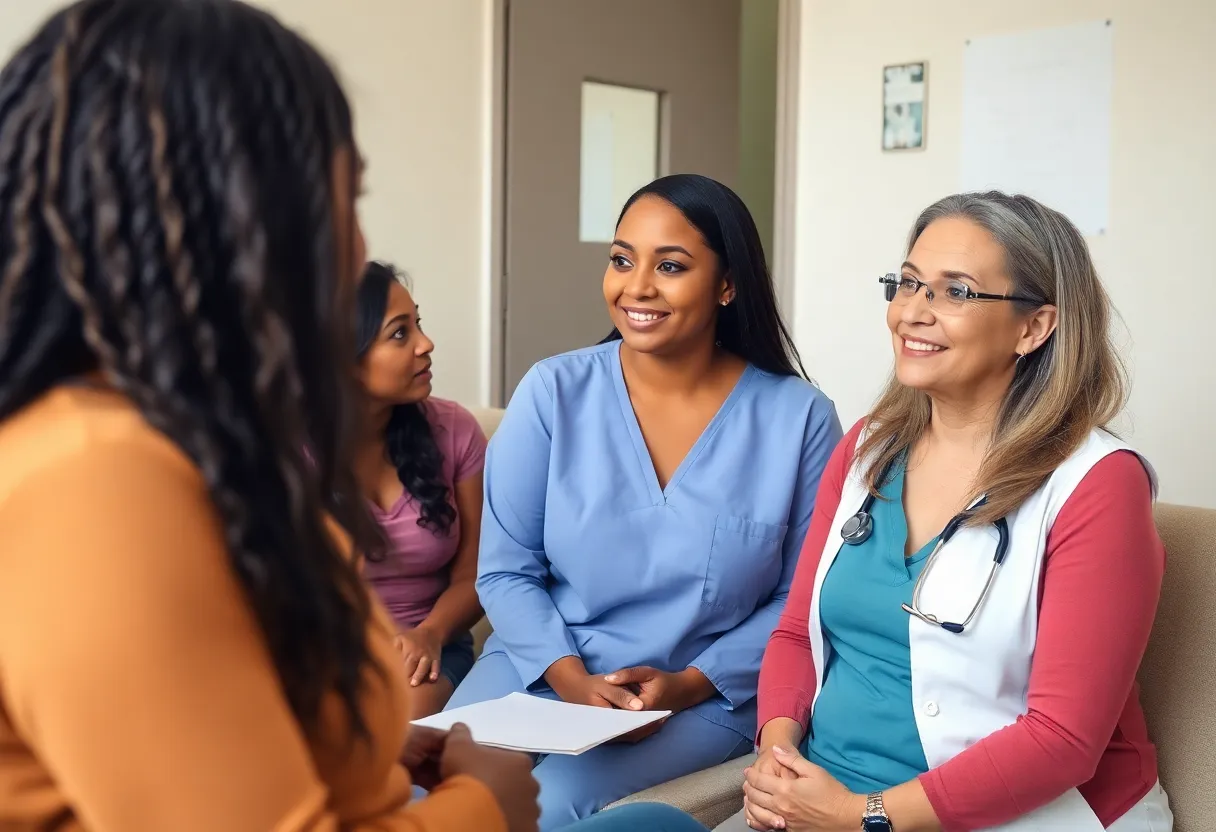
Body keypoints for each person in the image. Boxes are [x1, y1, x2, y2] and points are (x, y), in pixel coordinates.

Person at [0, 1, 542, 829]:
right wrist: (482, 806)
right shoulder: (99, 483)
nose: (359, 250)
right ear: (224, 221)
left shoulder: (195, 445)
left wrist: (371, 747)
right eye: (343, 202)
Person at [718, 192, 1172, 832]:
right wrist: (777, 754)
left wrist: (860, 815)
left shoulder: (1098, 484)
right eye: (908, 284)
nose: (911, 313)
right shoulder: (866, 448)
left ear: (1034, 327)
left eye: (955, 293)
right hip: (819, 802)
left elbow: (1063, 739)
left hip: (1004, 817)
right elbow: (796, 636)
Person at [448, 173, 843, 829]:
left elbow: (799, 601)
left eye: (671, 266)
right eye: (622, 259)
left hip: (699, 696)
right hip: (539, 671)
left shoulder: (799, 419)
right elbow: (506, 569)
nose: (637, 286)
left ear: (727, 284)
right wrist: (571, 679)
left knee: (550, 808)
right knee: (426, 789)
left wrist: (686, 685)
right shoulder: (553, 392)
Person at [354, 261, 485, 719]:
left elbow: (475, 578)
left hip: (428, 648)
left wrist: (428, 633)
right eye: (399, 333)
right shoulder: (285, 453)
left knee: (395, 731)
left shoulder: (455, 431)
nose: (426, 345)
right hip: (325, 653)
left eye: (419, 325)